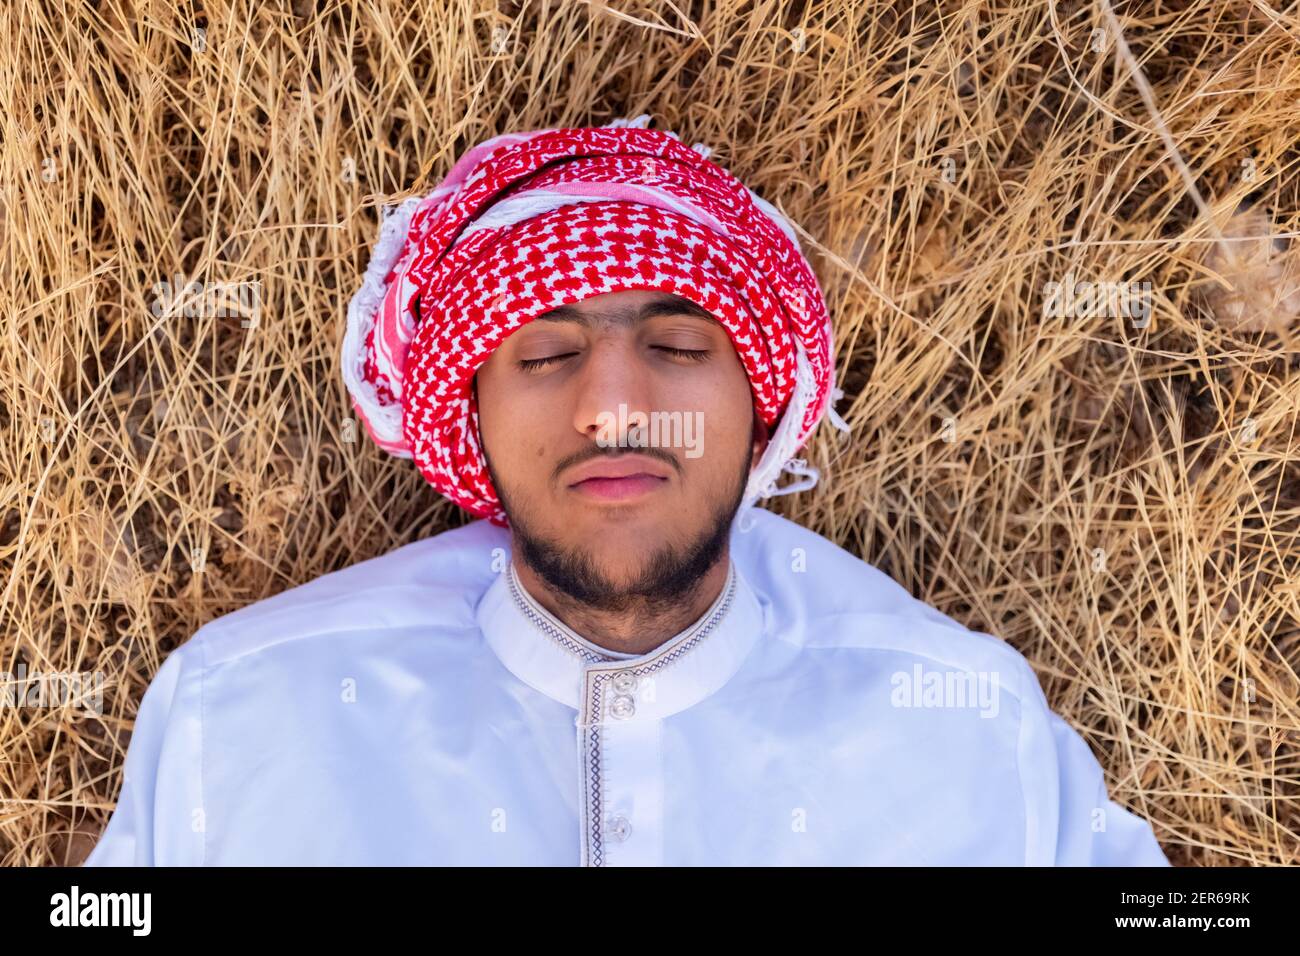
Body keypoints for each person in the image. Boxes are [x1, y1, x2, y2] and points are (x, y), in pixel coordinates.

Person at [84, 116, 1169, 866]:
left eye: (677, 342)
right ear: (468, 414)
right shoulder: (247, 709)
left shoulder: (966, 727)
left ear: (762, 409)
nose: (612, 407)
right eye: (546, 355)